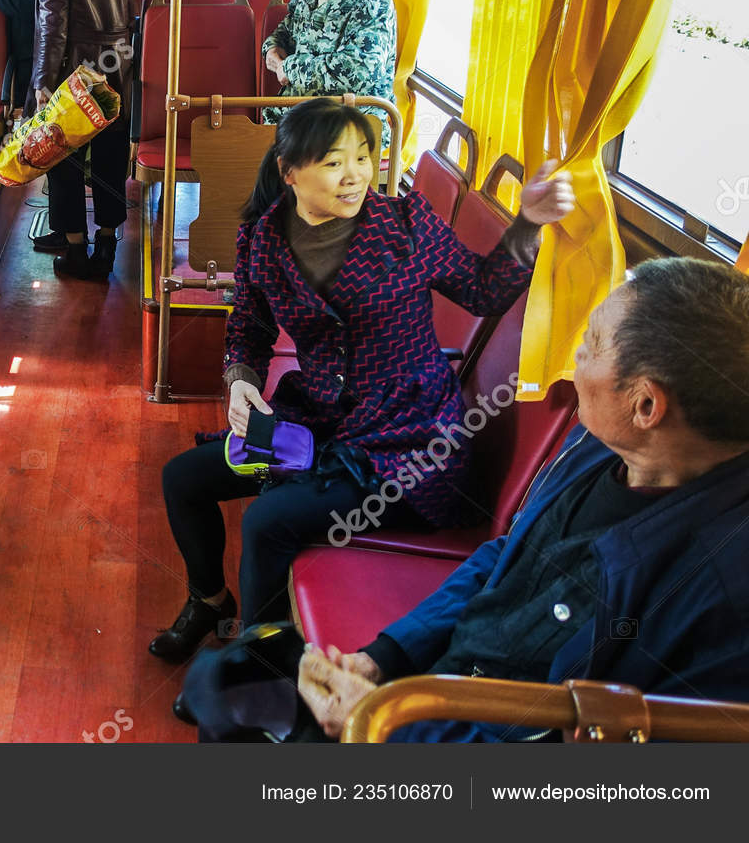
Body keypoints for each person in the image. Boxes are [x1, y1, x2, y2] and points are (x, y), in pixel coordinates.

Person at [181, 257, 749, 742]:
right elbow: (502, 561)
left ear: (646, 406)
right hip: (436, 682)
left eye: (593, 342)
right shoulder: (599, 449)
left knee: (239, 695)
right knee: (231, 677)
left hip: (448, 731)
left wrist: (385, 726)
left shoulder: (713, 594)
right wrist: (387, 657)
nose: (575, 352)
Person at [150, 98, 574, 662]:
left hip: (409, 442)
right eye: (332, 162)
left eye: (364, 157)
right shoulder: (263, 237)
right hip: (319, 424)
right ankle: (210, 601)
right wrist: (242, 380)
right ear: (289, 171)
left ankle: (261, 668)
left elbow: (483, 291)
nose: (355, 175)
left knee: (270, 523)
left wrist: (530, 222)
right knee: (184, 479)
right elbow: (249, 324)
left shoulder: (405, 224)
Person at [31, 0, 135, 280]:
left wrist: (43, 80)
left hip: (72, 71)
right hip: (115, 67)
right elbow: (130, 18)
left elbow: (50, 26)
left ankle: (75, 248)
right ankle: (107, 240)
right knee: (110, 156)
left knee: (64, 159)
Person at [262, 0, 397, 144]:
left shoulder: (373, 3)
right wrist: (272, 51)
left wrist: (289, 68)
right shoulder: (307, 0)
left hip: (348, 129)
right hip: (296, 119)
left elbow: (356, 71)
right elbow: (280, 36)